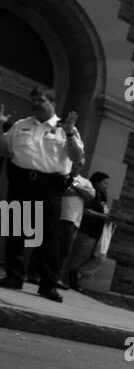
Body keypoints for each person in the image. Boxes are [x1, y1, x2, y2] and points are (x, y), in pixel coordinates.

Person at [0, 86, 85, 301]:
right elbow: (5, 151)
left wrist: (68, 132)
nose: (36, 103)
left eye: (41, 100)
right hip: (21, 181)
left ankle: (47, 284)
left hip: (48, 186)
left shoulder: (65, 128)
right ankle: (14, 275)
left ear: (53, 103)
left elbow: (76, 158)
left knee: (48, 237)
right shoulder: (21, 125)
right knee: (16, 230)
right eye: (34, 100)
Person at [67, 172, 113, 291]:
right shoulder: (79, 181)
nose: (107, 186)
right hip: (82, 227)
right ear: (97, 182)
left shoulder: (95, 192)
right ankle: (68, 279)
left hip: (97, 232)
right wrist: (100, 216)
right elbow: (73, 186)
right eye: (105, 183)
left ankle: (76, 276)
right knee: (77, 256)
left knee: (99, 258)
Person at [59, 171, 96, 288]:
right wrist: (80, 192)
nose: (77, 163)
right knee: (47, 245)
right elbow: (62, 190)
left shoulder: (85, 181)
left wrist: (74, 186)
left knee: (64, 250)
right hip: (57, 214)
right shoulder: (61, 173)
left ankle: (56, 276)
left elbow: (90, 195)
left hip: (73, 219)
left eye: (80, 162)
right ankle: (35, 273)